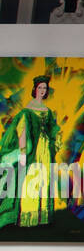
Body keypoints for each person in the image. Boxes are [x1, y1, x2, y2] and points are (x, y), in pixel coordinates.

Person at [0, 75, 60, 230]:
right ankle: (28, 216)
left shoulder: (48, 111)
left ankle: (42, 216)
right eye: (40, 87)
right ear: (35, 89)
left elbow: (53, 130)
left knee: (43, 180)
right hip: (32, 151)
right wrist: (22, 152)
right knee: (31, 179)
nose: (42, 90)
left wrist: (55, 141)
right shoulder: (27, 111)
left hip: (45, 150)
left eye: (45, 88)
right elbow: (22, 130)